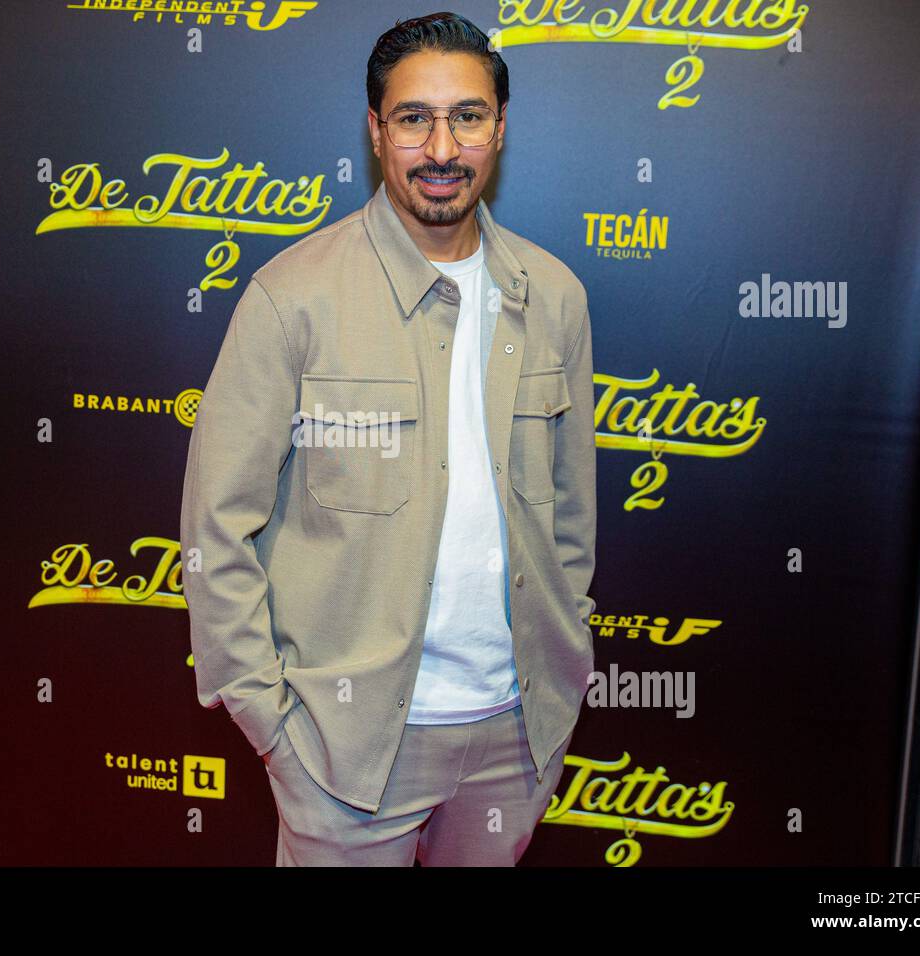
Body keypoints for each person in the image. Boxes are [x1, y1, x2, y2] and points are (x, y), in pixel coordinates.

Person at [180, 11, 597, 866]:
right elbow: (216, 530)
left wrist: (565, 666)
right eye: (414, 119)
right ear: (376, 132)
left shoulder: (554, 297)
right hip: (341, 752)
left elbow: (571, 523)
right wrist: (272, 725)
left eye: (468, 116)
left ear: (500, 128)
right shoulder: (290, 297)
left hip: (513, 742)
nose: (442, 146)